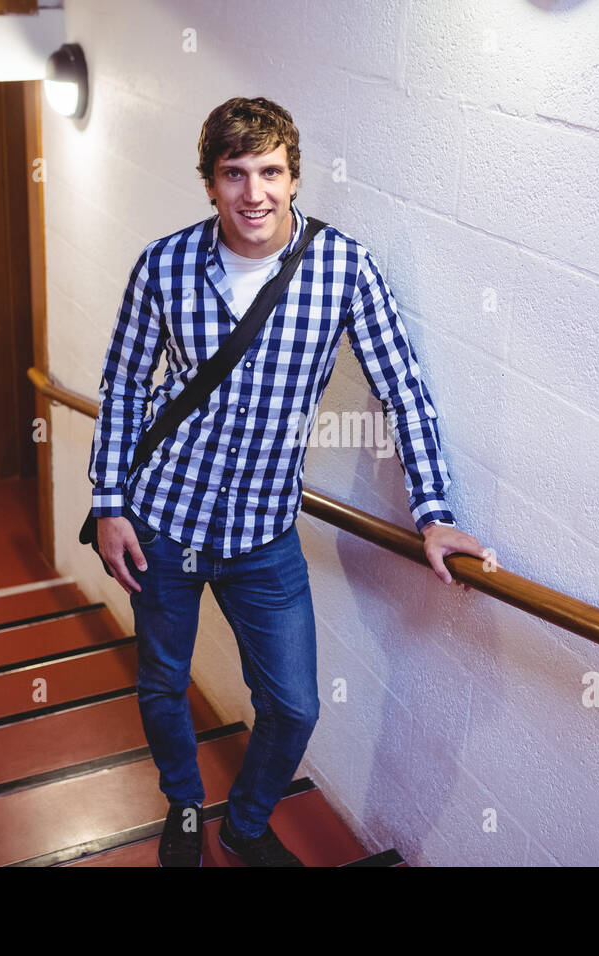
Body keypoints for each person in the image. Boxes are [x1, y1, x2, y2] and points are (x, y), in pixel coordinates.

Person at [87, 96, 487, 867]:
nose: (254, 194)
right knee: (163, 684)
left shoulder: (344, 268)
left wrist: (433, 513)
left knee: (294, 707)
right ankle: (181, 806)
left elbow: (402, 391)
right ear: (210, 183)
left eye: (269, 171)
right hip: (162, 521)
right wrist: (110, 504)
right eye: (234, 174)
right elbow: (125, 387)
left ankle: (243, 821)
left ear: (295, 177)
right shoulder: (164, 264)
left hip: (263, 535)